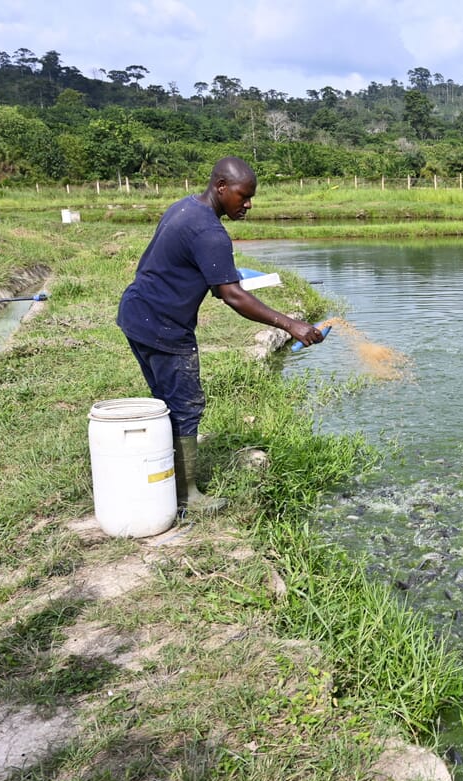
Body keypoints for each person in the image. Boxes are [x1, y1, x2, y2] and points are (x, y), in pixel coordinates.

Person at [116, 156, 323, 514]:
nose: (248, 204)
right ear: (221, 187)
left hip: (137, 314)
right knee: (186, 405)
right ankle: (186, 495)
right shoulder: (209, 232)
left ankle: (162, 472)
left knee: (165, 400)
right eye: (243, 196)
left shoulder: (185, 208)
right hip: (163, 326)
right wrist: (291, 324)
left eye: (251, 197)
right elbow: (232, 295)